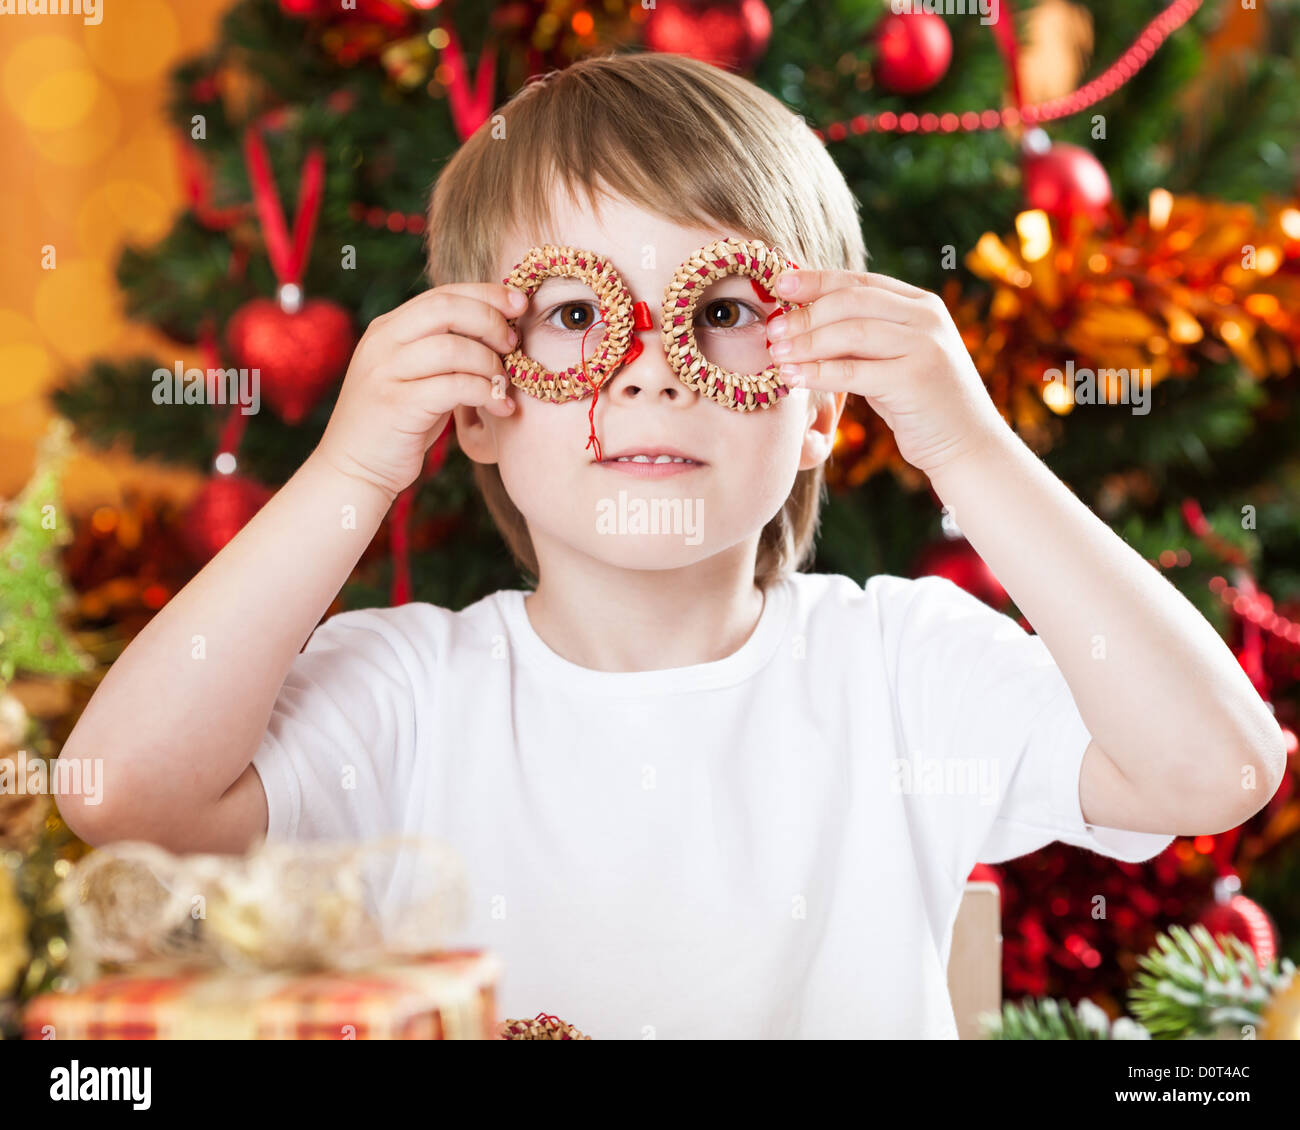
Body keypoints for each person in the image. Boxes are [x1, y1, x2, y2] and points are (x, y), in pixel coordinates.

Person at [57, 52, 1286, 1039]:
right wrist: (353, 466)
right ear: (479, 399)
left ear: (818, 404)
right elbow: (121, 793)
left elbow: (1215, 770)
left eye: (722, 312)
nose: (648, 366)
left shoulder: (901, 670)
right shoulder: (405, 695)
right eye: (580, 314)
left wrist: (966, 444)